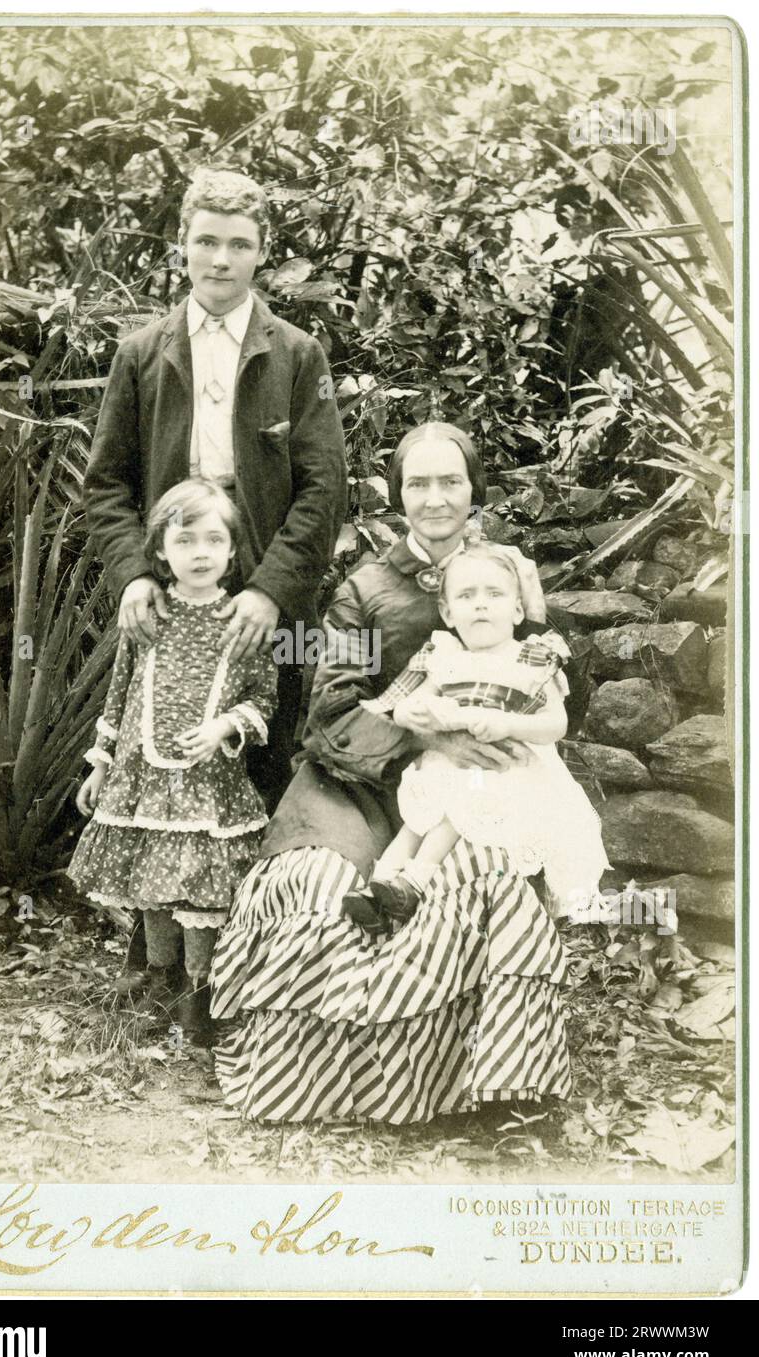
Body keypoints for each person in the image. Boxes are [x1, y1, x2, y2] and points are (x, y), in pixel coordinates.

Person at [210, 422, 575, 1124]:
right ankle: (309, 1082)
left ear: (474, 491)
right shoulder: (362, 588)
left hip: (477, 786)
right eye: (419, 484)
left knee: (480, 889)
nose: (436, 500)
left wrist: (531, 627)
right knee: (317, 888)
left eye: (451, 482)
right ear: (396, 493)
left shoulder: (502, 576)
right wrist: (431, 739)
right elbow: (331, 708)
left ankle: (476, 1086)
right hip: (353, 778)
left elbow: (553, 691)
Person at [84, 166, 346, 806]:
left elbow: (324, 486)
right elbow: (106, 484)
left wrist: (270, 590)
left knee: (269, 739)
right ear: (183, 244)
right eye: (206, 242)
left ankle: (270, 901)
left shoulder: (297, 353)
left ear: (261, 252)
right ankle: (169, 901)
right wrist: (136, 577)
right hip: (172, 578)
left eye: (238, 245)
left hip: (266, 570)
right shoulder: (142, 353)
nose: (220, 261)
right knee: (162, 745)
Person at [69, 480, 276, 1043]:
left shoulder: (246, 622)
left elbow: (264, 701)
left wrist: (224, 726)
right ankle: (158, 981)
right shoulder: (147, 615)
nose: (201, 553)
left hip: (207, 785)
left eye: (215, 539)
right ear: (161, 550)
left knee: (199, 893)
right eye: (186, 540)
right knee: (154, 887)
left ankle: (197, 991)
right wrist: (102, 762)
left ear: (234, 549)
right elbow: (119, 694)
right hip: (143, 781)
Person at [342, 543, 609, 931]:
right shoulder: (444, 655)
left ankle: (413, 882)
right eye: (467, 596)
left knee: (459, 801)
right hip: (446, 761)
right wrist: (409, 712)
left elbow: (556, 724)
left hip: (508, 771)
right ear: (448, 613)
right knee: (417, 821)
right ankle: (378, 886)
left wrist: (509, 725)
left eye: (494, 594)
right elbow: (405, 703)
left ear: (518, 609)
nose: (481, 605)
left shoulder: (531, 659)